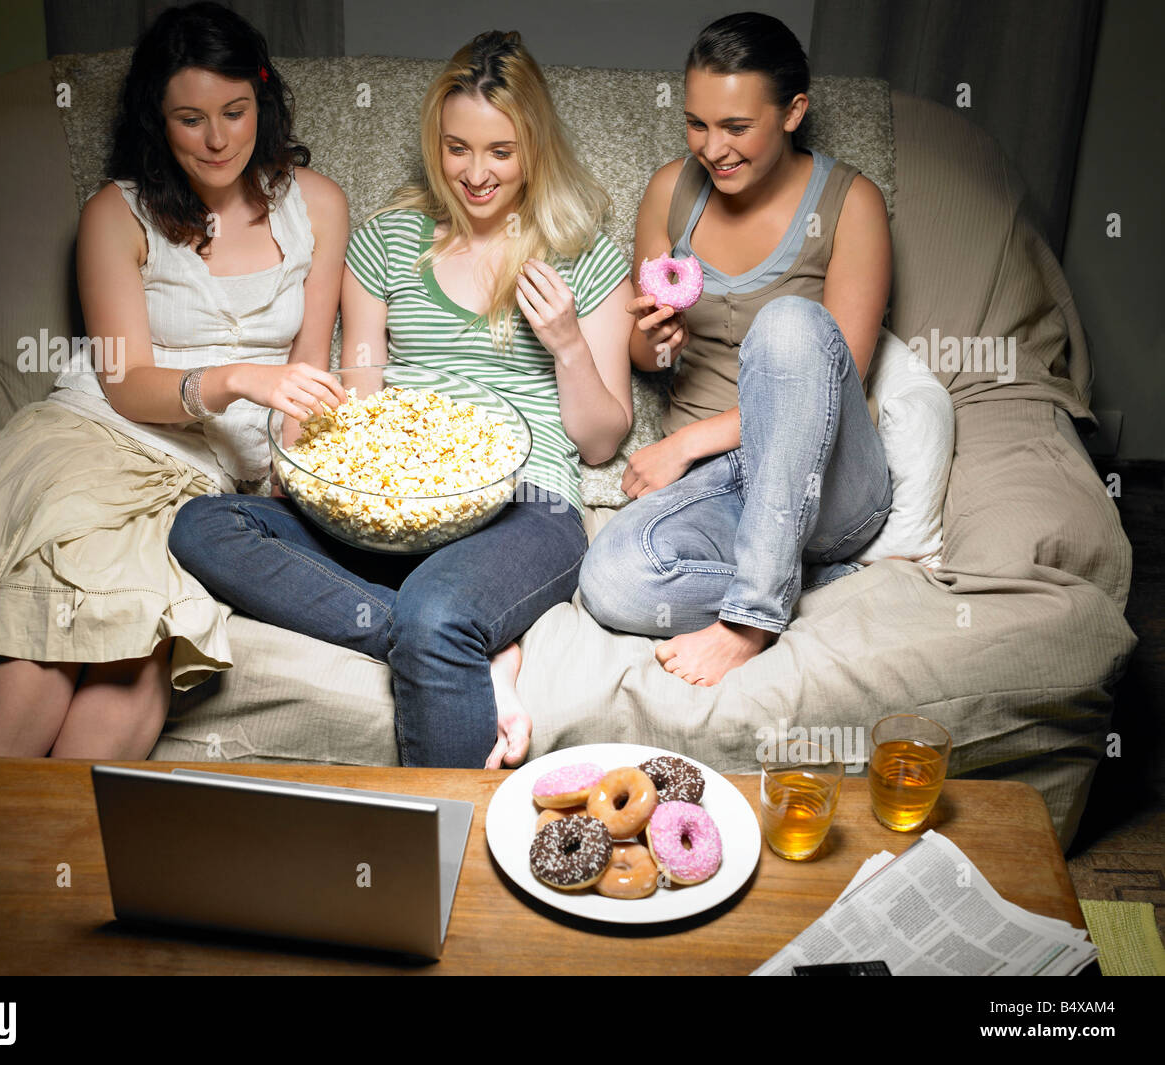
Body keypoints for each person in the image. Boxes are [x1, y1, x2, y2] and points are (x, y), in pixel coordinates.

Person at [169, 30, 633, 770]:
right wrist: (324, 469)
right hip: (399, 507)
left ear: (534, 148)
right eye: (457, 148)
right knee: (202, 526)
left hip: (526, 506)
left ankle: (448, 661)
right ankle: (471, 649)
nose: (476, 174)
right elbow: (363, 398)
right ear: (434, 142)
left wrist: (568, 343)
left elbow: (602, 440)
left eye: (500, 153)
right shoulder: (385, 243)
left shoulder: (587, 258)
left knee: (438, 611)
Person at [0, 2, 349, 758]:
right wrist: (237, 379)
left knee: (143, 643)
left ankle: (54, 865)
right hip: (100, 437)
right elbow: (125, 382)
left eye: (236, 110)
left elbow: (310, 370)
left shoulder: (318, 205)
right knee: (58, 608)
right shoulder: (114, 214)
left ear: (264, 97)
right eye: (191, 118)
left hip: (204, 483)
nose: (219, 138)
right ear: (156, 120)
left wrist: (290, 480)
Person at [578, 12, 894, 687]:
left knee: (788, 324)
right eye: (697, 123)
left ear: (793, 112)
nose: (712, 148)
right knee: (612, 578)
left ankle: (752, 618)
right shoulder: (671, 192)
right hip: (721, 490)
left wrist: (686, 443)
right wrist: (659, 342)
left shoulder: (851, 204)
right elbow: (644, 359)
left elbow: (835, 384)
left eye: (735, 127)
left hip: (826, 475)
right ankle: (809, 580)